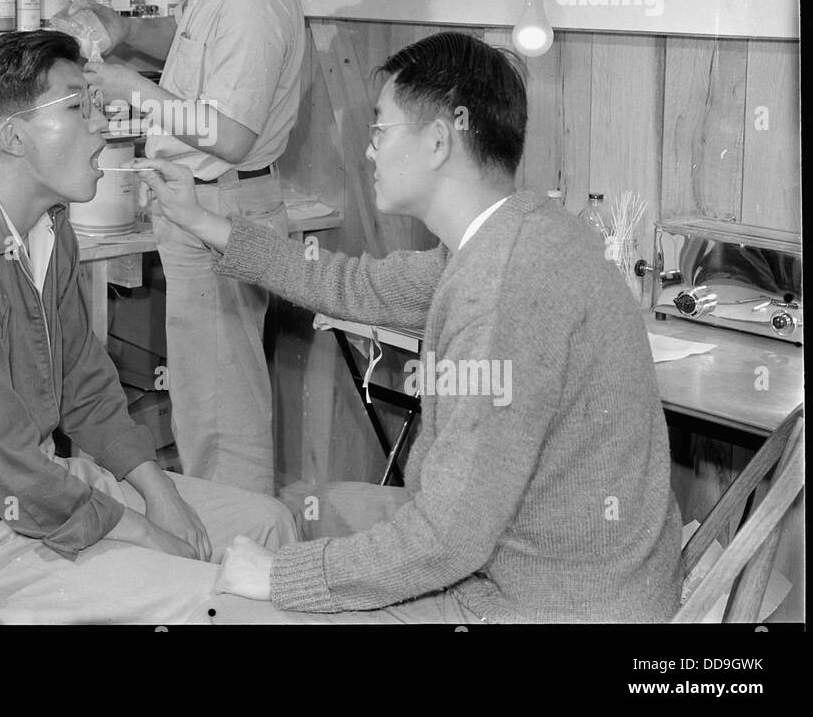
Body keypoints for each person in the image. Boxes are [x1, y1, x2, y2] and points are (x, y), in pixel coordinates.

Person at [140, 31, 684, 623]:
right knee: (303, 508)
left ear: (437, 141)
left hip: (540, 603)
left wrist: (283, 577)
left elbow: (448, 539)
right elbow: (347, 285)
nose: (370, 152)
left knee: (239, 604)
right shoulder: (520, 233)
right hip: (560, 566)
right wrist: (203, 220)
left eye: (379, 130)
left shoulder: (500, 289)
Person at [0, 30, 297, 625]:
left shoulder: (48, 227)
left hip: (36, 482)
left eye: (96, 102)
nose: (104, 124)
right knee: (223, 600)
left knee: (271, 523)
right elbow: (2, 465)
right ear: (13, 138)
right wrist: (145, 533)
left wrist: (161, 495)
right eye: (78, 106)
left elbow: (84, 385)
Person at [74, 0, 306, 497]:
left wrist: (130, 88)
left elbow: (231, 135)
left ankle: (239, 557)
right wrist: (126, 33)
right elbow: (197, 51)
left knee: (222, 410)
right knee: (205, 399)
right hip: (201, 209)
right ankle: (226, 533)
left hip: (224, 211)